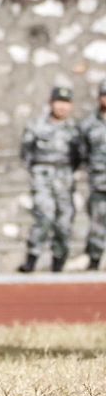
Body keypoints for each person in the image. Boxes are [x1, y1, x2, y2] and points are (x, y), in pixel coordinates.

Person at [19, 84, 80, 273]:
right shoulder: (36, 125)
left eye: (66, 102)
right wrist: (37, 172)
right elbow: (25, 153)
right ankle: (32, 258)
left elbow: (79, 156)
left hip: (65, 179)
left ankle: (58, 261)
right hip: (42, 178)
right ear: (50, 102)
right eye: (58, 101)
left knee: (64, 221)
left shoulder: (75, 129)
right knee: (44, 217)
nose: (62, 106)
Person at [78, 79, 106, 272]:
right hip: (99, 183)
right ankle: (94, 260)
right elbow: (81, 151)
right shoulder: (88, 124)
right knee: (97, 223)